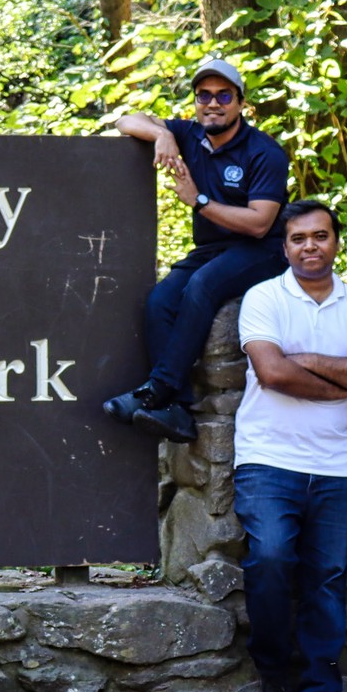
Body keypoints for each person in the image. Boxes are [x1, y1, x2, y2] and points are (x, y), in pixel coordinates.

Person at [232, 201, 347, 692]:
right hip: (267, 458)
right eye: (299, 238)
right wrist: (345, 379)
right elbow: (272, 373)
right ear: (285, 247)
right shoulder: (264, 297)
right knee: (272, 560)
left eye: (320, 236)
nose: (310, 246)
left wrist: (310, 361)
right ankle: (276, 670)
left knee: (327, 579)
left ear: (335, 242)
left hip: (336, 465)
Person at [106, 58, 289, 443]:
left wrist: (199, 200)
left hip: (263, 248)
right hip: (213, 248)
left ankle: (156, 390)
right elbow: (124, 119)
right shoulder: (190, 135)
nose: (213, 103)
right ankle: (179, 409)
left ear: (241, 103)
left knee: (202, 286)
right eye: (203, 95)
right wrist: (162, 135)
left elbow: (260, 222)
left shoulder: (264, 152)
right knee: (160, 301)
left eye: (224, 95)